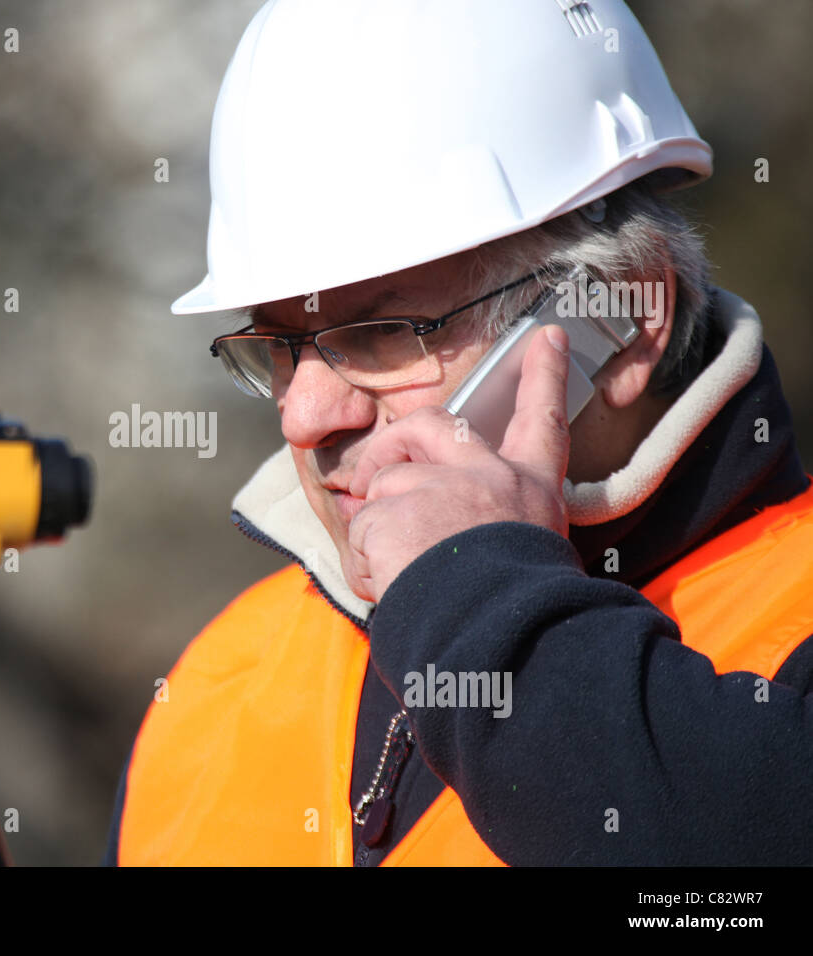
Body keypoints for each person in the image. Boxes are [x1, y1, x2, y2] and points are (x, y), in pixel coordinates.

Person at [103, 0, 813, 865]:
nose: (304, 414)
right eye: (278, 349)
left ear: (626, 312)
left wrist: (479, 600)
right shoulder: (215, 686)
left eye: (380, 333)